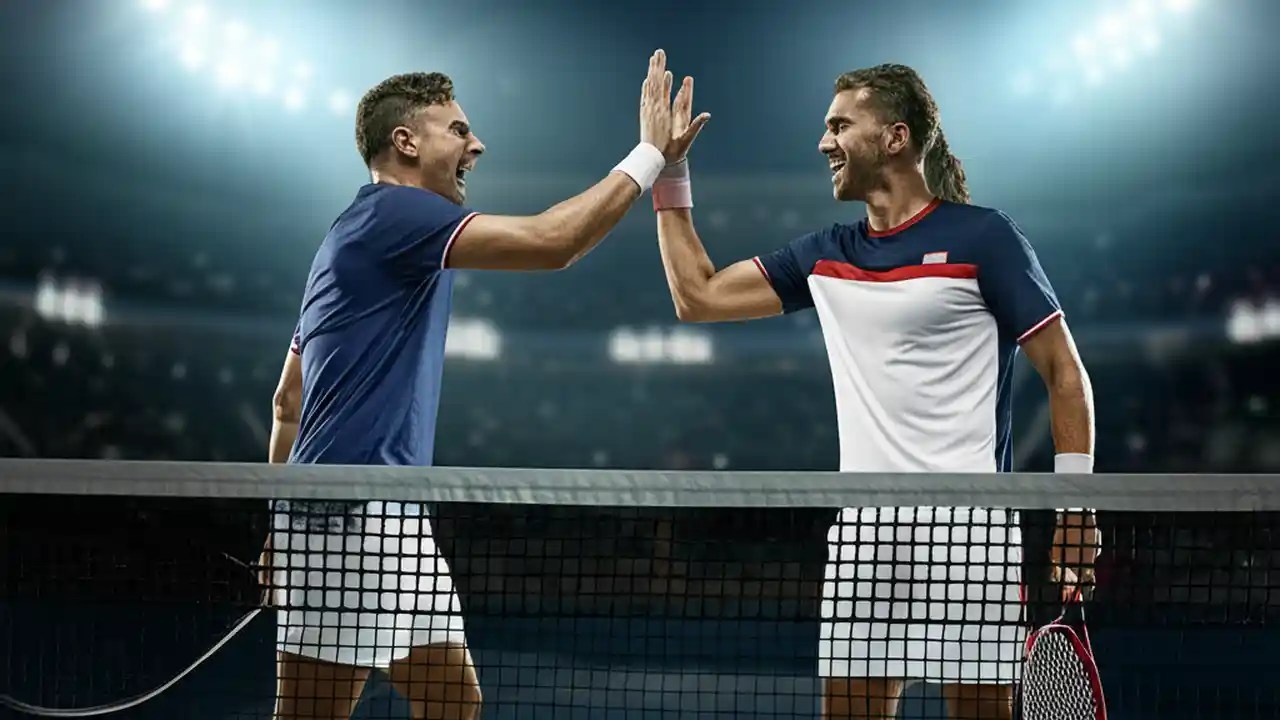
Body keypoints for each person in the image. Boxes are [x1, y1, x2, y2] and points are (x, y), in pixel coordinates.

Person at [650, 65, 1100, 719]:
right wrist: (668, 173)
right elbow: (699, 296)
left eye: (839, 125)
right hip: (863, 534)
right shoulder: (826, 253)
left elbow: (1065, 373)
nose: (823, 142)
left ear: (895, 136)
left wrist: (1076, 510)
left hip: (969, 537)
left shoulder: (984, 238)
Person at [264, 50, 699, 720]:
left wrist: (276, 516)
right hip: (349, 518)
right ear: (405, 142)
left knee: (454, 706)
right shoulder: (393, 216)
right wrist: (648, 156)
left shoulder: (345, 237)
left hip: (383, 517)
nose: (478, 143)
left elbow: (286, 401)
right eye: (458, 130)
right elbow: (552, 242)